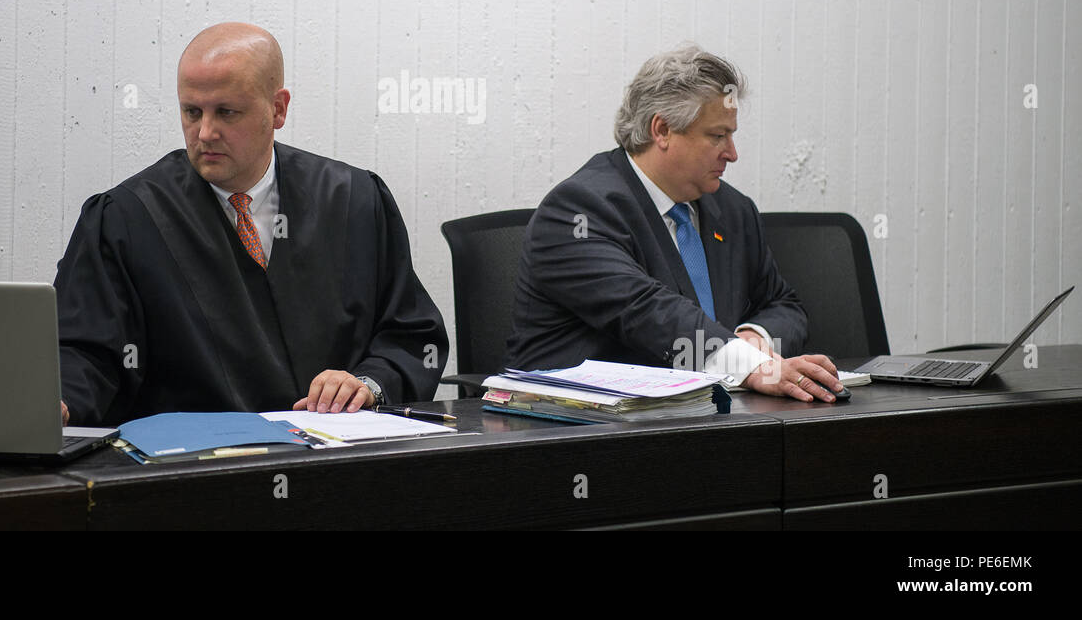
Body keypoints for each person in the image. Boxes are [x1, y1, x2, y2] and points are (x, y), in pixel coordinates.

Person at [56, 23, 448, 427]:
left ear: (278, 109)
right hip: (196, 455)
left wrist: (368, 383)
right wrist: (63, 400)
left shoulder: (353, 201)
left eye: (227, 112)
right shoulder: (128, 218)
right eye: (192, 112)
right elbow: (87, 353)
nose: (205, 133)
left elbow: (410, 336)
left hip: (336, 451)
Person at [506, 43, 843, 402]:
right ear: (663, 130)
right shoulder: (578, 211)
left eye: (732, 135)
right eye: (717, 136)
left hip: (710, 415)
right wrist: (749, 364)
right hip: (580, 423)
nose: (732, 153)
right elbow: (646, 310)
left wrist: (754, 338)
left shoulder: (733, 210)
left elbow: (783, 304)